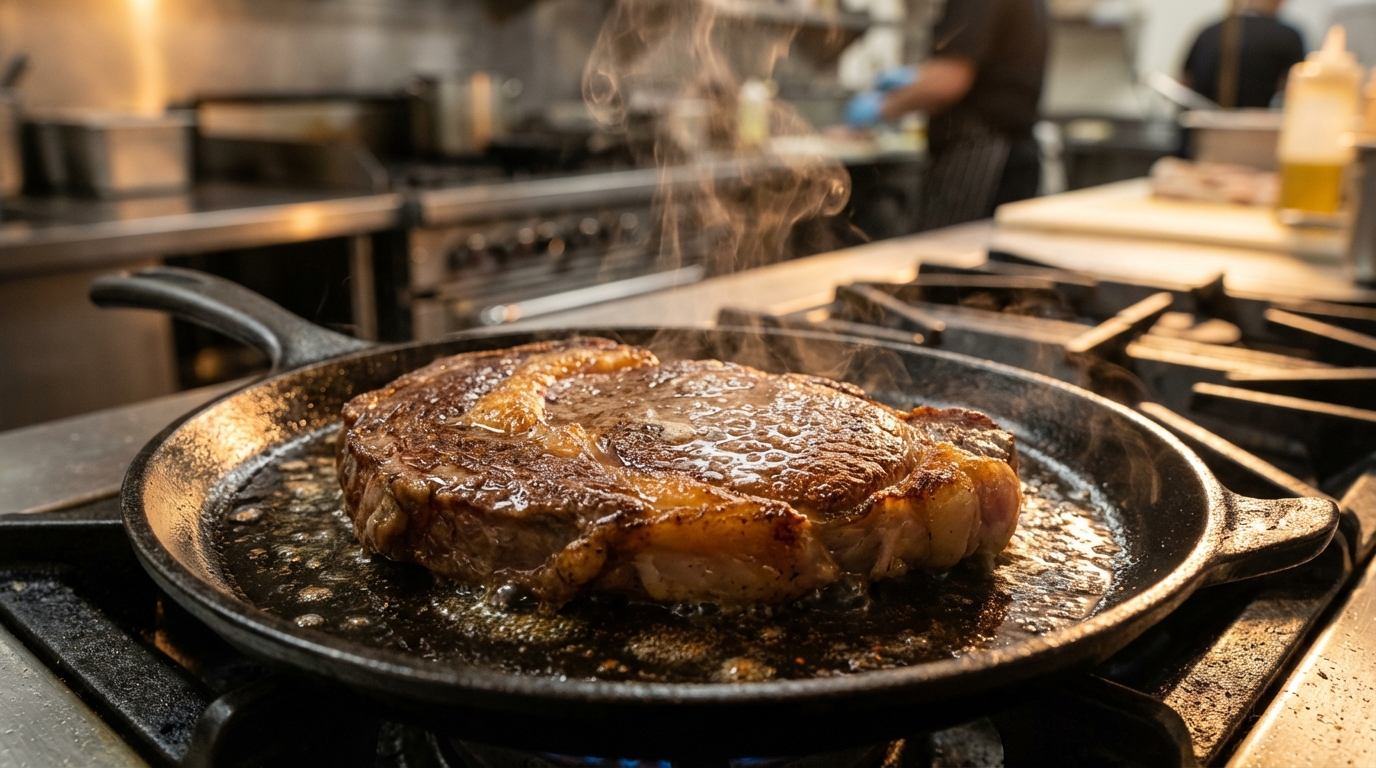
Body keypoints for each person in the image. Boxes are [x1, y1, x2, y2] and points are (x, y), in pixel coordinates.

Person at [846, 0, 1049, 230]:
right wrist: (917, 80)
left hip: (979, 156)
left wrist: (881, 107)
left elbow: (950, 79)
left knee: (945, 257)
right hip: (1012, 151)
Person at [1180, 0, 1305, 109]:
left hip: (1202, 130)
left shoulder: (1207, 33)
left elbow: (1185, 84)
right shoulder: (1287, 37)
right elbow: (1295, 89)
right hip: (1260, 132)